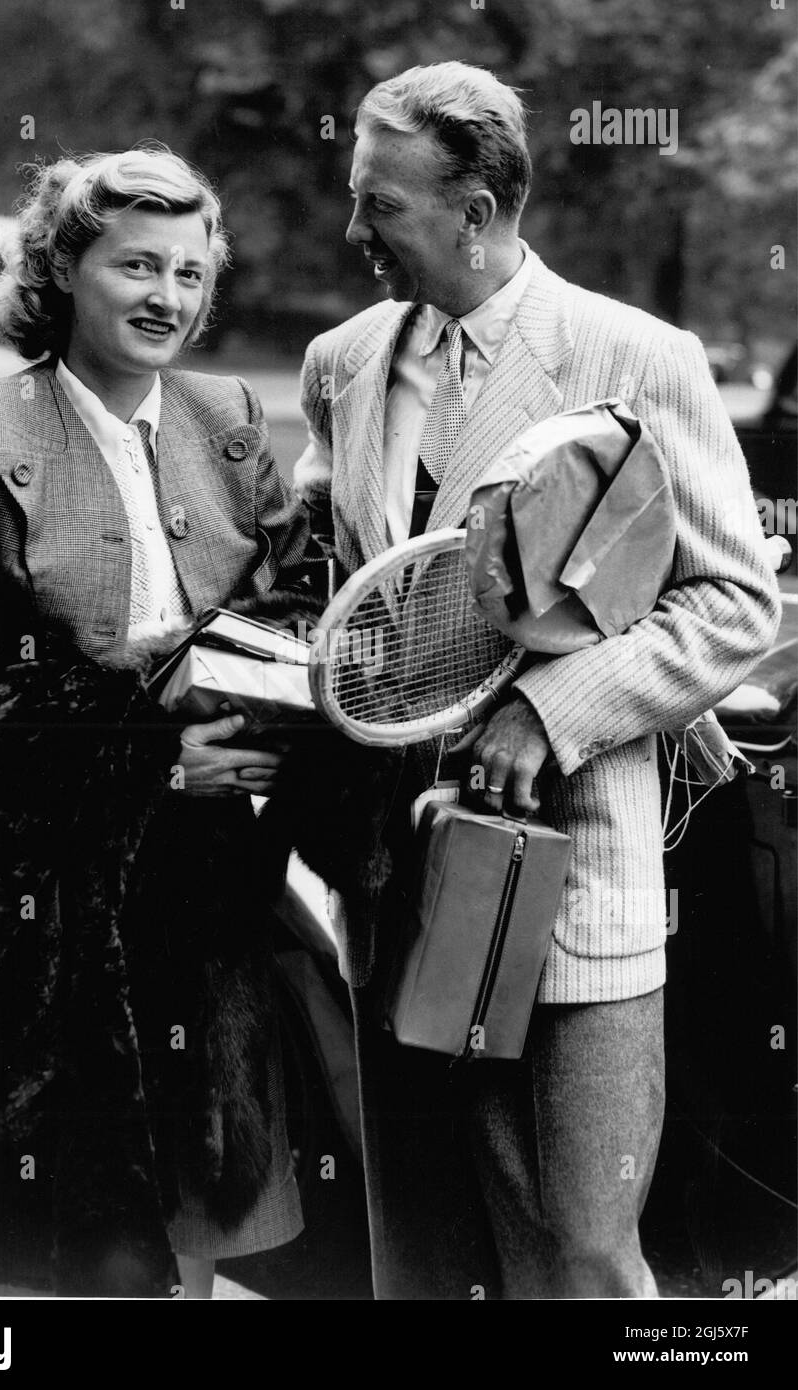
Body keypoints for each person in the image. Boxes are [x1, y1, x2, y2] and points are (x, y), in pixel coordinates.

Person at [294, 62, 781, 1299]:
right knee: (424, 1252)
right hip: (390, 880)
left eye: (380, 207)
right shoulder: (342, 364)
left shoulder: (637, 357)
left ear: (475, 209)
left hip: (571, 876)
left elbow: (732, 607)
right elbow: (327, 582)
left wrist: (548, 711)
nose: (353, 232)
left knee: (579, 1250)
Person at [0, 145, 314, 1299]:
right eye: (134, 264)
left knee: (194, 1213)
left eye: (189, 272)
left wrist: (262, 734)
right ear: (64, 268)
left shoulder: (225, 415)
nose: (166, 296)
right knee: (42, 1242)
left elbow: (283, 619)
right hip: (31, 903)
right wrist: (152, 759)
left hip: (208, 881)